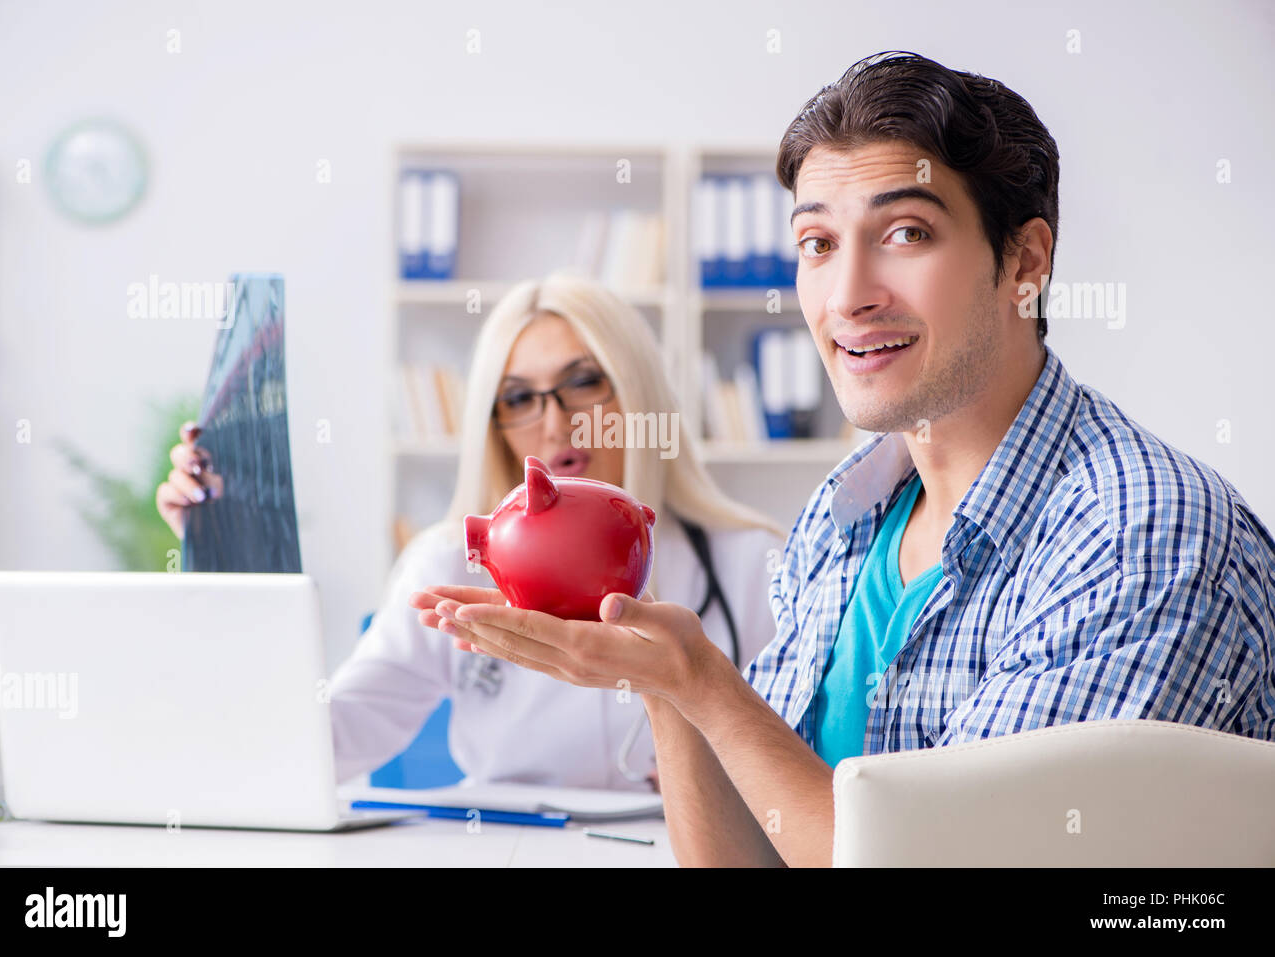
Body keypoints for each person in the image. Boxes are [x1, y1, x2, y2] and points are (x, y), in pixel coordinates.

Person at [410, 50, 1275, 865]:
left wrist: (707, 685)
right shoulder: (844, 517)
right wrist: (668, 685)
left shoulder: (1141, 531)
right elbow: (760, 852)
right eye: (818, 244)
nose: (849, 294)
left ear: (1027, 262)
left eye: (904, 233)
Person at [157, 272, 786, 791]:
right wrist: (228, 567)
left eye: (584, 382)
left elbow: (805, 773)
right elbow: (325, 742)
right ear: (495, 426)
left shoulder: (750, 565)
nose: (555, 423)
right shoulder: (447, 565)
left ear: (639, 395)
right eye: (518, 398)